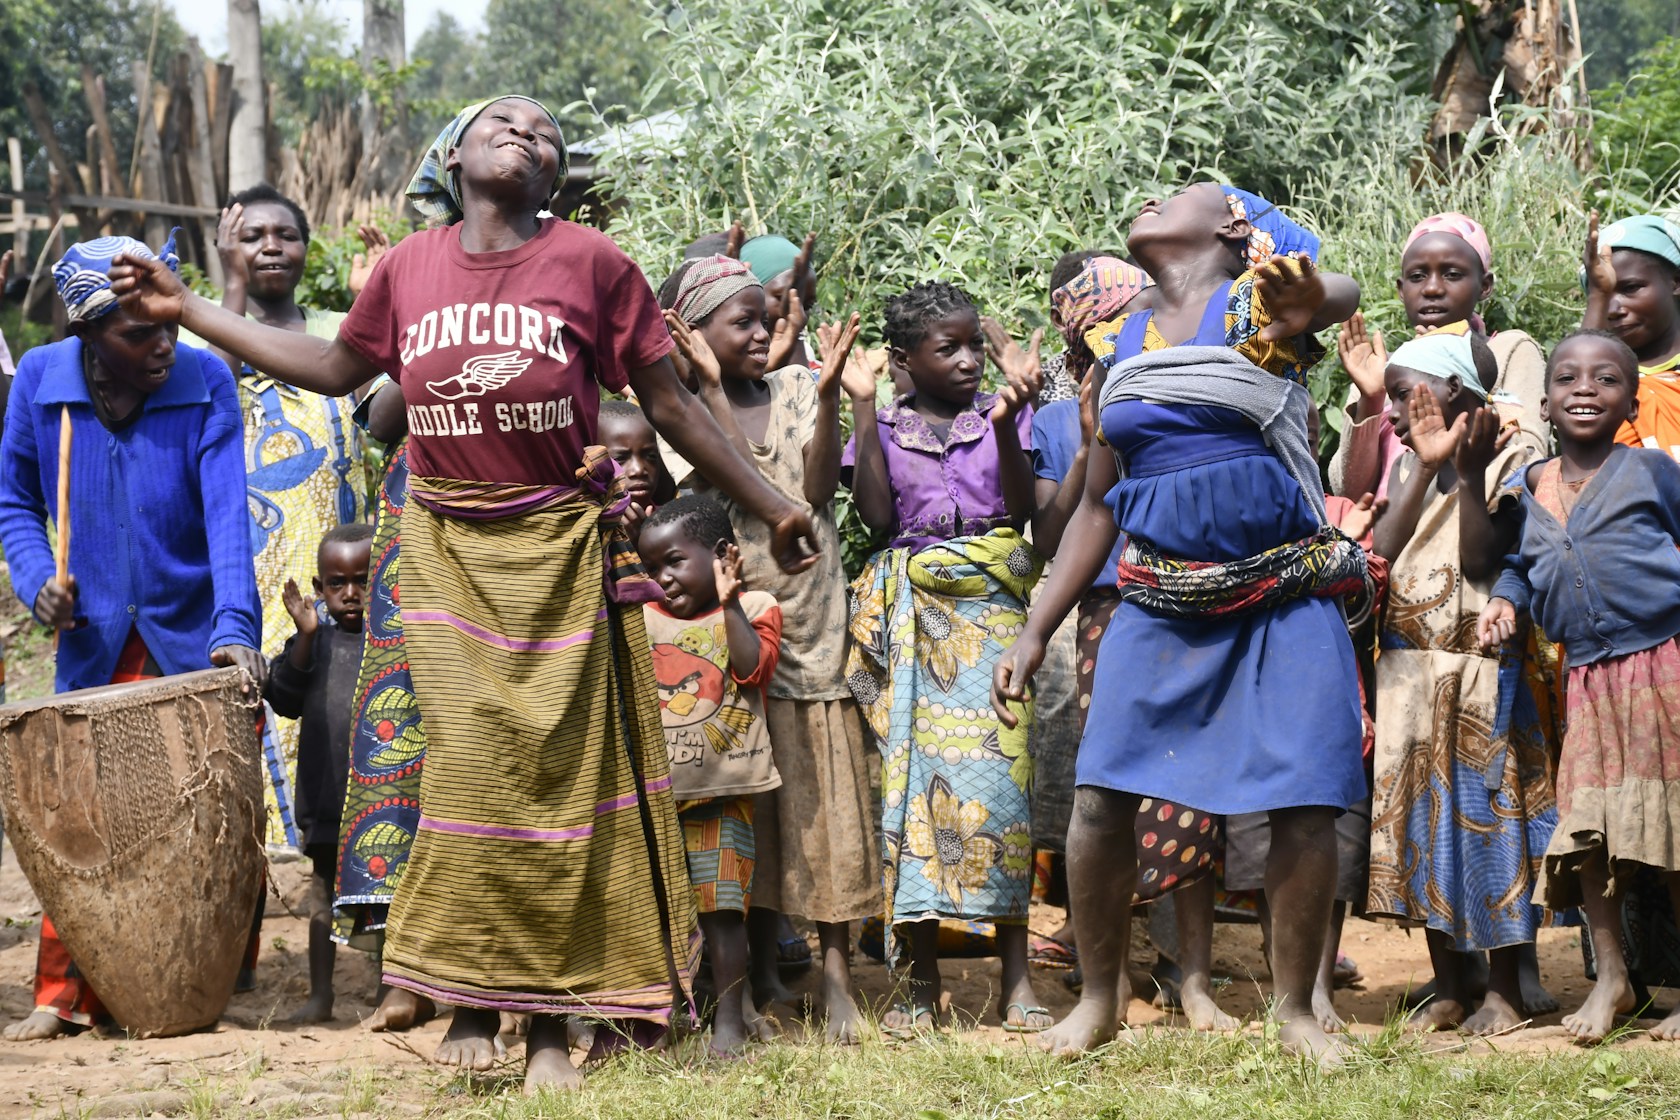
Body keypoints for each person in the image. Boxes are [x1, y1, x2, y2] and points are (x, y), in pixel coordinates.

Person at [109, 95, 819, 1093]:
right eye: (505, 121)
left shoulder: (593, 264)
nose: (526, 132)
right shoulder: (408, 265)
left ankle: (544, 1031)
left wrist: (772, 502)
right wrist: (188, 311)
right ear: (456, 153)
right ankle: (475, 1000)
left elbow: (671, 407)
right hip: (443, 548)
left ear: (553, 173)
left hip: (562, 546)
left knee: (557, 785)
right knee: (471, 777)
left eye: (545, 133)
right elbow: (332, 365)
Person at [992, 182, 1365, 1062]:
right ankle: (1098, 1001)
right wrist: (1036, 626)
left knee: (1304, 801)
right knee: (1099, 802)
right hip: (1157, 598)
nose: (1152, 197)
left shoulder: (1259, 301)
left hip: (1282, 593)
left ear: (1235, 228)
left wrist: (1315, 300)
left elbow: (1331, 291)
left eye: (1179, 193)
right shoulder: (1120, 340)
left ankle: (1297, 1015)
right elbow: (1095, 508)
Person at [0, 233, 263, 1041]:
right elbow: (13, 503)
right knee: (82, 820)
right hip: (94, 641)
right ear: (86, 336)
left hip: (192, 635)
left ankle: (210, 979)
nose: (162, 343)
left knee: (207, 812)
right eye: (136, 332)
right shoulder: (41, 381)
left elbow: (227, 520)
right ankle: (63, 994)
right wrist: (37, 580)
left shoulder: (205, 379)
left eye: (167, 323)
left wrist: (235, 628)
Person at [1023, 255, 1233, 1029]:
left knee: (1193, 791)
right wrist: (1084, 447)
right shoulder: (1054, 418)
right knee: (1107, 792)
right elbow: (1054, 536)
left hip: (1194, 597)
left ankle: (1194, 975)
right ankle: (1103, 976)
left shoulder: (1190, 389)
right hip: (1112, 610)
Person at [843, 279, 1048, 1035]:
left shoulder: (1000, 414)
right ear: (903, 360)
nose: (967, 360)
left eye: (973, 345)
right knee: (915, 804)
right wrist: (862, 411)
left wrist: (1003, 423)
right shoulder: (888, 429)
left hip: (992, 626)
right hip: (915, 630)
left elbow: (1021, 513)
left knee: (1003, 798)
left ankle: (1017, 980)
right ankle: (919, 984)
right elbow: (873, 516)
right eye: (947, 347)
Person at [1478, 329, 1680, 1043]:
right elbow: (1519, 565)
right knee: (1587, 830)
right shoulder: (1530, 486)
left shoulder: (1654, 473)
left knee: (1674, 823)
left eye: (1605, 379)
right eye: (1568, 378)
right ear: (1545, 401)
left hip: (1663, 667)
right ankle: (1615, 978)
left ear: (1631, 399)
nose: (1585, 388)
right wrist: (1506, 604)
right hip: (1587, 678)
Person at [1363, 325, 1560, 1035]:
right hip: (1409, 670)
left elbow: (1483, 562)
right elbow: (1382, 552)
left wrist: (1464, 471)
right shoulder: (1406, 460)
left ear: (1448, 391)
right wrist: (1421, 465)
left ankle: (1504, 989)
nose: (1390, 410)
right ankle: (1449, 984)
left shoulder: (1511, 448)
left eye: (1399, 393)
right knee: (1420, 825)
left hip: (1480, 670)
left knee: (1491, 820)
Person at [185, 185, 374, 851]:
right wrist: (228, 292)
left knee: (339, 711)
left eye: (284, 235)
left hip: (341, 576)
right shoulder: (196, 330)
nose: (270, 246)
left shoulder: (338, 332)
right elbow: (212, 400)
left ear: (306, 247)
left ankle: (339, 862)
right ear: (225, 248)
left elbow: (381, 421)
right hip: (247, 577)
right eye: (251, 236)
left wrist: (382, 308)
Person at [640, 494, 782, 1055]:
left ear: (724, 555)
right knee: (662, 914)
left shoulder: (759, 605)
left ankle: (728, 1021)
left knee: (723, 912)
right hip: (658, 798)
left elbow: (751, 668)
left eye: (674, 561)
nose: (662, 578)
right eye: (651, 568)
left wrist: (729, 603)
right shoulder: (643, 617)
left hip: (726, 793)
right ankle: (666, 1015)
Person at [1331, 212, 1550, 502]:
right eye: (1417, 276)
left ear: (1485, 285)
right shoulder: (1382, 369)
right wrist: (1370, 399)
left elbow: (1528, 462)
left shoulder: (1509, 350)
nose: (1432, 288)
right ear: (1401, 289)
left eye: (1452, 274)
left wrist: (1445, 373)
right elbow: (1349, 492)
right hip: (1381, 543)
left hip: (1468, 537)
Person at [263, 522, 375, 1023]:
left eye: (364, 579)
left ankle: (388, 987)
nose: (350, 593)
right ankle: (320, 995)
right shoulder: (314, 643)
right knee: (323, 897)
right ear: (318, 589)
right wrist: (306, 635)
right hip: (329, 800)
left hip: (385, 803)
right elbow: (283, 696)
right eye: (336, 583)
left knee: (387, 895)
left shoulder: (394, 645)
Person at [1582, 212, 1680, 458]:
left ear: (1676, 282)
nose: (1614, 310)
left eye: (1630, 288)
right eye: (1603, 296)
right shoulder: (1607, 379)